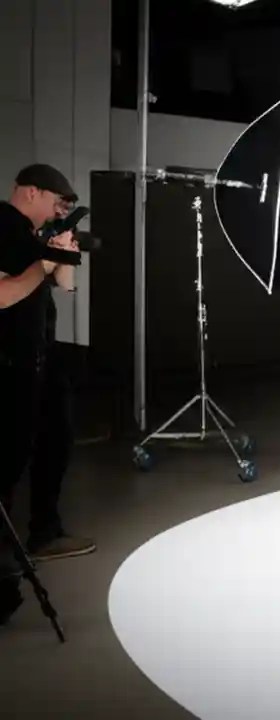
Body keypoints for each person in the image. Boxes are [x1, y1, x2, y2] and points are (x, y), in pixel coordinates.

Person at [0, 164, 96, 626]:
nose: (60, 211)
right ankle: (7, 567)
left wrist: (62, 260)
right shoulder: (4, 227)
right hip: (10, 364)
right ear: (31, 191)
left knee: (54, 438)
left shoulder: (32, 235)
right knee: (9, 462)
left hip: (40, 355)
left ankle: (42, 533)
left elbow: (64, 287)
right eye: (57, 202)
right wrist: (43, 263)